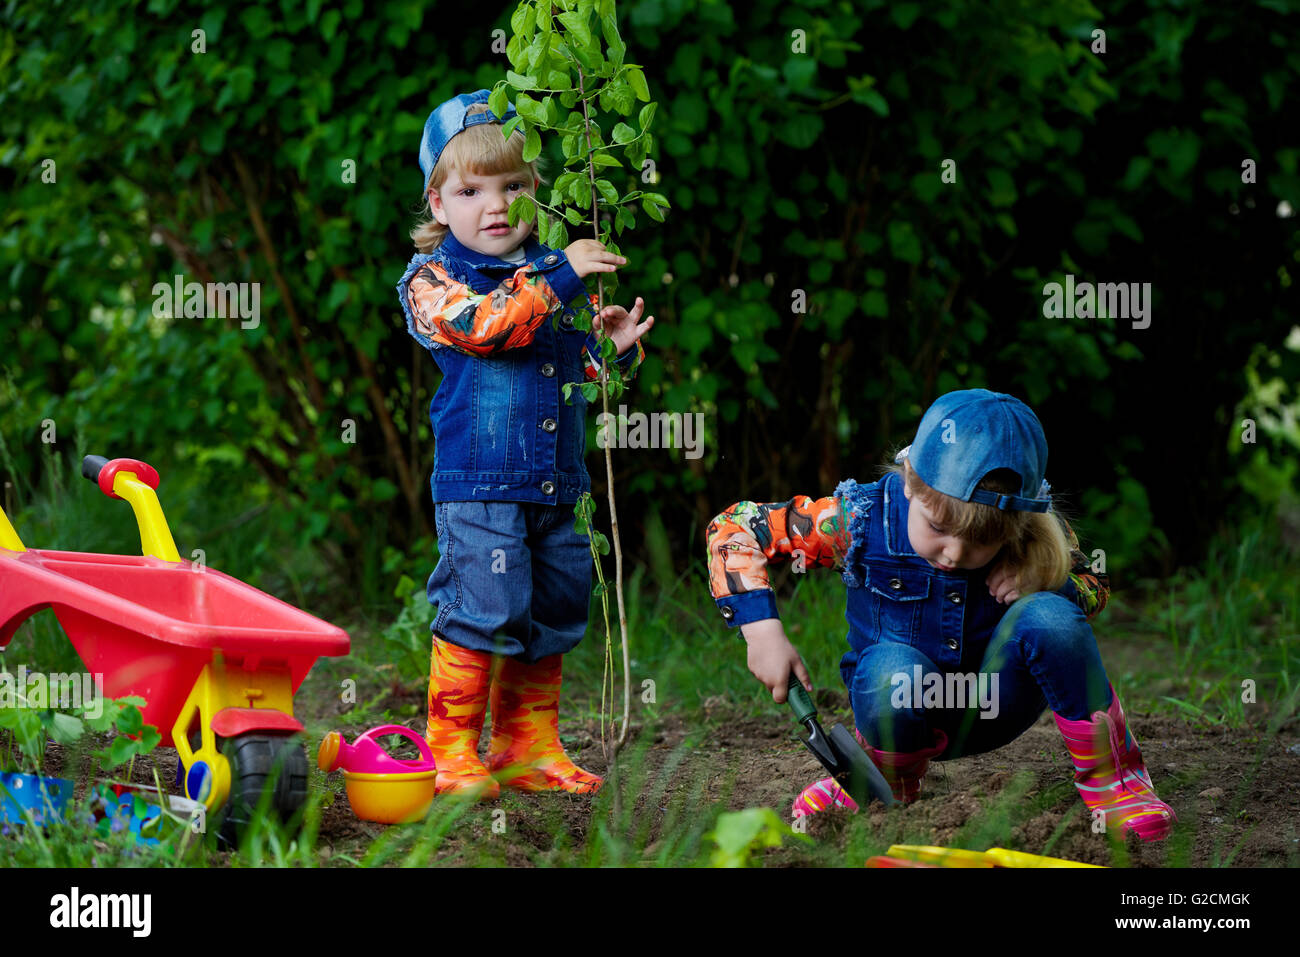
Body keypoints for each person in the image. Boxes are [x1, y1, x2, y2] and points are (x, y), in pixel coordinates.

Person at [705, 389, 1176, 841]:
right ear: (911, 482)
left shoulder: (1033, 536)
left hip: (997, 704)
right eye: (938, 528)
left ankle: (1114, 779)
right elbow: (736, 526)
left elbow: (1096, 584)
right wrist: (762, 630)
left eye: (981, 543)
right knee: (892, 670)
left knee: (1050, 616)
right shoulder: (861, 517)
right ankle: (885, 781)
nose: (953, 553)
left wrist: (1043, 578)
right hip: (899, 709)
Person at [395, 89, 654, 798]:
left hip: (557, 486)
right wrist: (563, 274)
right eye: (472, 189)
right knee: (486, 605)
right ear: (439, 204)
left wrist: (613, 353)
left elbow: (576, 374)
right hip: (481, 490)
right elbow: (489, 327)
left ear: (536, 190)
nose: (497, 204)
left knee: (557, 606)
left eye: (514, 185)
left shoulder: (546, 274)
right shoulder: (432, 283)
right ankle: (450, 747)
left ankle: (526, 742)